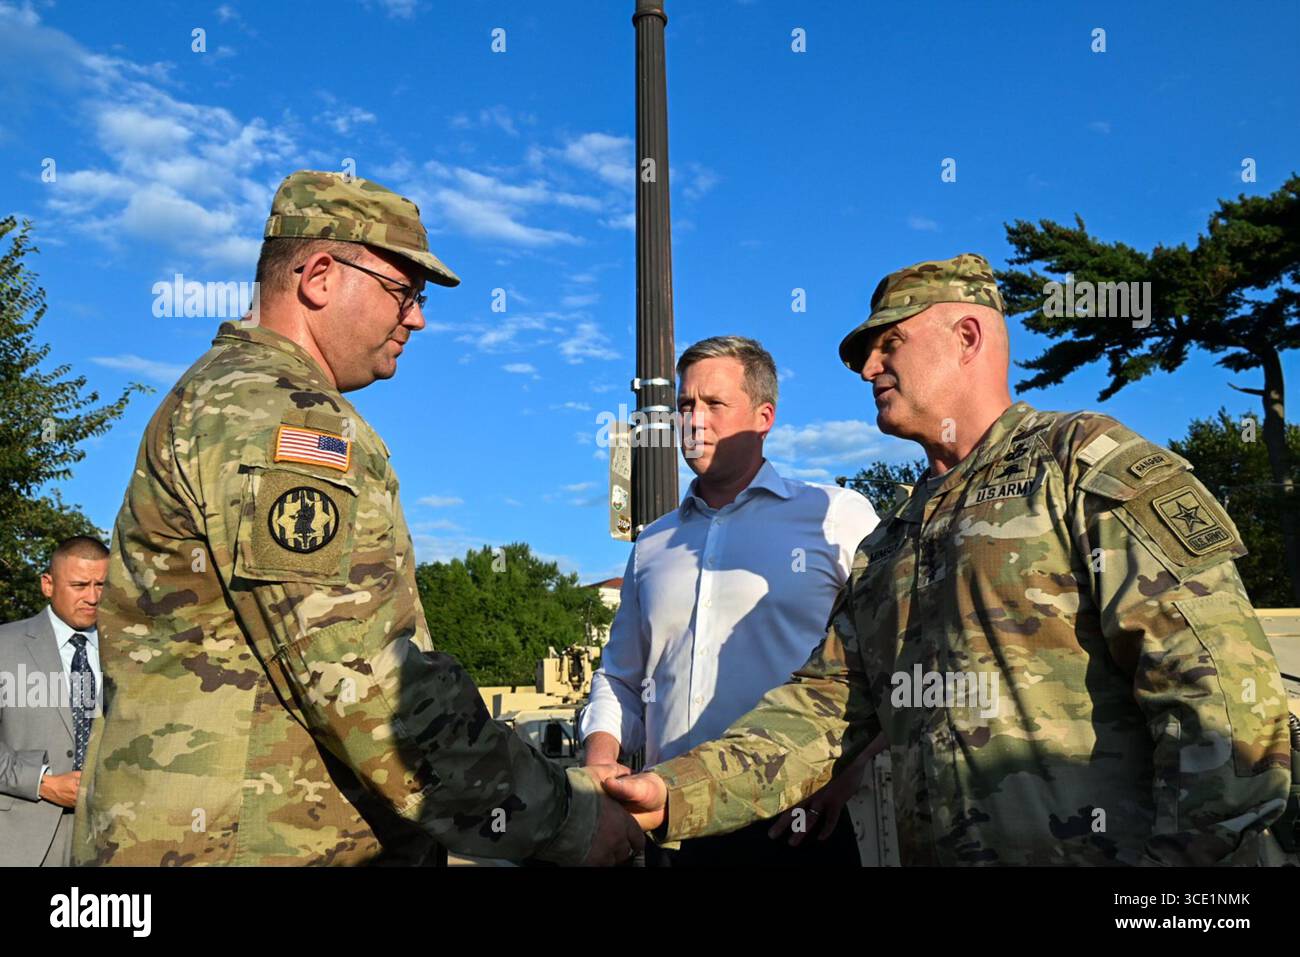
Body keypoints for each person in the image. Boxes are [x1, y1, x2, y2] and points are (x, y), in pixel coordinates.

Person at [601, 252, 1298, 866]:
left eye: (889, 344)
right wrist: (671, 791)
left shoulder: (1081, 463)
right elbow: (822, 714)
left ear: (967, 337)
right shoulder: (893, 540)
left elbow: (1228, 707)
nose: (870, 367)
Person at [73, 170, 642, 866]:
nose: (418, 317)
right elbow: (375, 694)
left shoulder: (232, 399)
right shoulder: (282, 417)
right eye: (402, 291)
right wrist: (573, 819)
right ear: (317, 275)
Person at [579, 336, 879, 866]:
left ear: (764, 417)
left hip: (794, 828)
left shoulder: (835, 516)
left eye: (714, 404)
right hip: (668, 827)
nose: (694, 420)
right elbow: (620, 676)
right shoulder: (653, 544)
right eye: (685, 405)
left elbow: (892, 660)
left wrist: (845, 775)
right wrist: (600, 761)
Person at [0, 537, 108, 866]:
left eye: (101, 585)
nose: (92, 597)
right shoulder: (4, 645)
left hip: (113, 841)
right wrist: (42, 782)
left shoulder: (133, 653)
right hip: (20, 844)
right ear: (48, 584)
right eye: (79, 585)